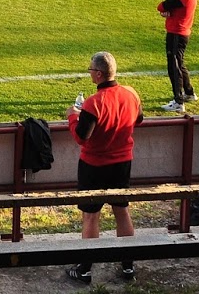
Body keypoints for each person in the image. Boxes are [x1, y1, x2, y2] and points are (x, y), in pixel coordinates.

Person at [65, 51, 142, 283]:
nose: (89, 73)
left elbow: (81, 137)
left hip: (94, 166)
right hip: (122, 164)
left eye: (90, 70)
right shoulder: (131, 94)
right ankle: (128, 266)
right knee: (122, 211)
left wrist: (72, 117)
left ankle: (85, 269)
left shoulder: (93, 103)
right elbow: (138, 119)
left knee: (91, 217)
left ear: (98, 74)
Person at [158, 0, 198, 112]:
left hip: (176, 34)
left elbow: (161, 6)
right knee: (180, 64)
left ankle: (178, 101)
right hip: (182, 33)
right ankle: (189, 93)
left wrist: (166, 11)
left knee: (174, 67)